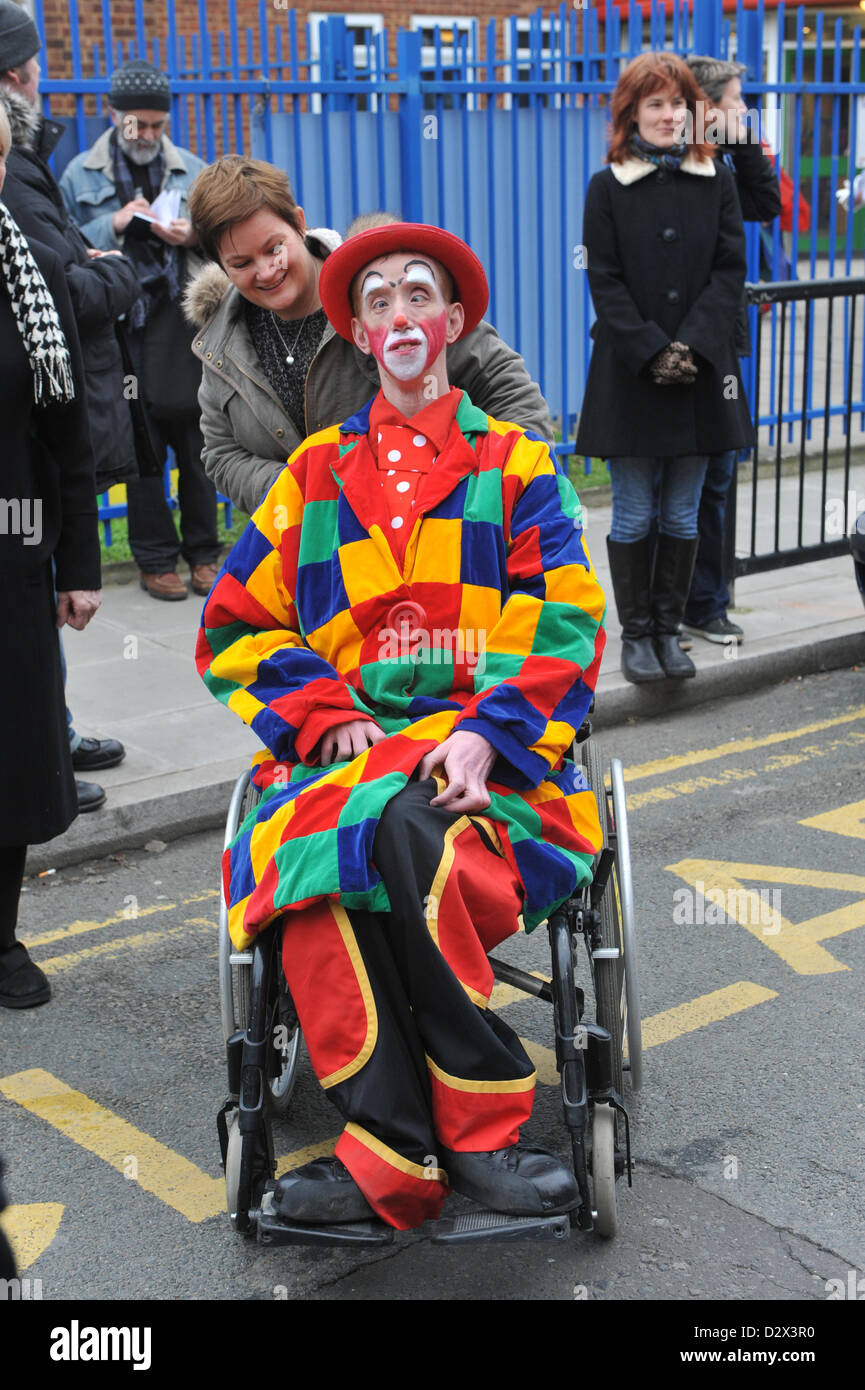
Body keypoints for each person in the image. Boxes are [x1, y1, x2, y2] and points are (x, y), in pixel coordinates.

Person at [196, 221, 607, 1230]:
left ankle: (412, 1145)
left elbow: (566, 618)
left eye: (418, 296)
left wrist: (486, 732)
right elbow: (231, 626)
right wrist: (323, 707)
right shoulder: (313, 476)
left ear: (455, 323)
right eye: (376, 303)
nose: (399, 316)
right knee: (325, 851)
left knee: (384, 835)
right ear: (361, 336)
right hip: (348, 757)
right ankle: (440, 1141)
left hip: (493, 773)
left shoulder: (515, 463)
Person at [183, 156, 557, 518]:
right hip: (303, 558)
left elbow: (508, 390)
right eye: (241, 263)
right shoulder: (221, 343)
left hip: (423, 551)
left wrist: (495, 492)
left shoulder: (383, 294)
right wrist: (307, 495)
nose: (266, 271)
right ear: (220, 264)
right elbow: (222, 455)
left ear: (298, 222)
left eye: (273, 248)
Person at [575, 51, 755, 684]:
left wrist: (694, 348)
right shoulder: (606, 188)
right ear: (631, 113)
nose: (669, 115)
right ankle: (638, 637)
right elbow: (605, 279)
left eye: (678, 103)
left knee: (682, 512)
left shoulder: (717, 178)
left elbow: (729, 270)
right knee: (633, 513)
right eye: (655, 104)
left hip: (702, 376)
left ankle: (669, 634)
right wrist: (654, 349)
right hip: (631, 376)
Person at [0, 0, 135, 810]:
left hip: (16, 510)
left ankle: (48, 737)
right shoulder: (25, 177)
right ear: (19, 72)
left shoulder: (20, 235)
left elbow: (58, 429)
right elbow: (79, 277)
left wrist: (75, 566)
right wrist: (111, 271)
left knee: (28, 617)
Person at [0, 106, 102, 1009]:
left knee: (14, 756)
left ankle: (1, 943)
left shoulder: (30, 273)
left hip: (11, 552)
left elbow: (65, 431)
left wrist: (76, 563)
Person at [60, 59, 219, 602]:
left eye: (156, 125)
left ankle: (204, 554)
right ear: (115, 116)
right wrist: (116, 224)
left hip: (183, 325)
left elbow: (224, 240)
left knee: (198, 442)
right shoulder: (81, 173)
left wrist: (192, 235)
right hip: (122, 329)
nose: (148, 135)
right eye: (137, 125)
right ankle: (154, 559)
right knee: (141, 446)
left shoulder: (194, 169)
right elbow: (64, 248)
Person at [681, 55, 781, 646]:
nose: (745, 110)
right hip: (680, 343)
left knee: (718, 472)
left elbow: (766, 205)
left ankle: (707, 602)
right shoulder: (679, 170)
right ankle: (668, 612)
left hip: (723, 343)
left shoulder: (725, 165)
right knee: (675, 484)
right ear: (707, 106)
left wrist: (742, 141)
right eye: (736, 101)